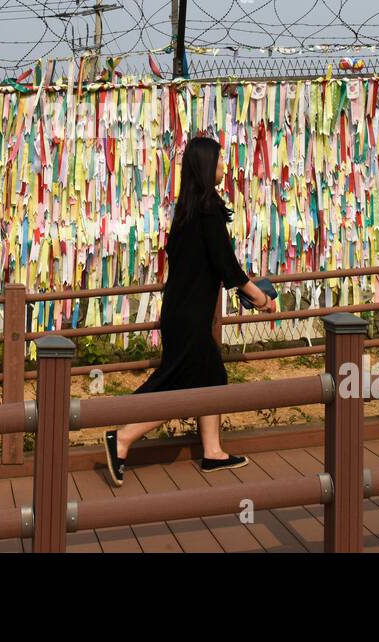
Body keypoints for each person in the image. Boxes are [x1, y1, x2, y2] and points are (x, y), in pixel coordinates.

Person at [102, 135, 276, 487]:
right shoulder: (208, 210)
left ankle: (213, 453)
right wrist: (259, 297)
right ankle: (122, 437)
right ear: (206, 165)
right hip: (190, 318)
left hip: (180, 314)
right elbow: (226, 264)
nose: (225, 166)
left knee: (211, 377)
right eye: (220, 160)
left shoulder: (187, 210)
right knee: (179, 386)